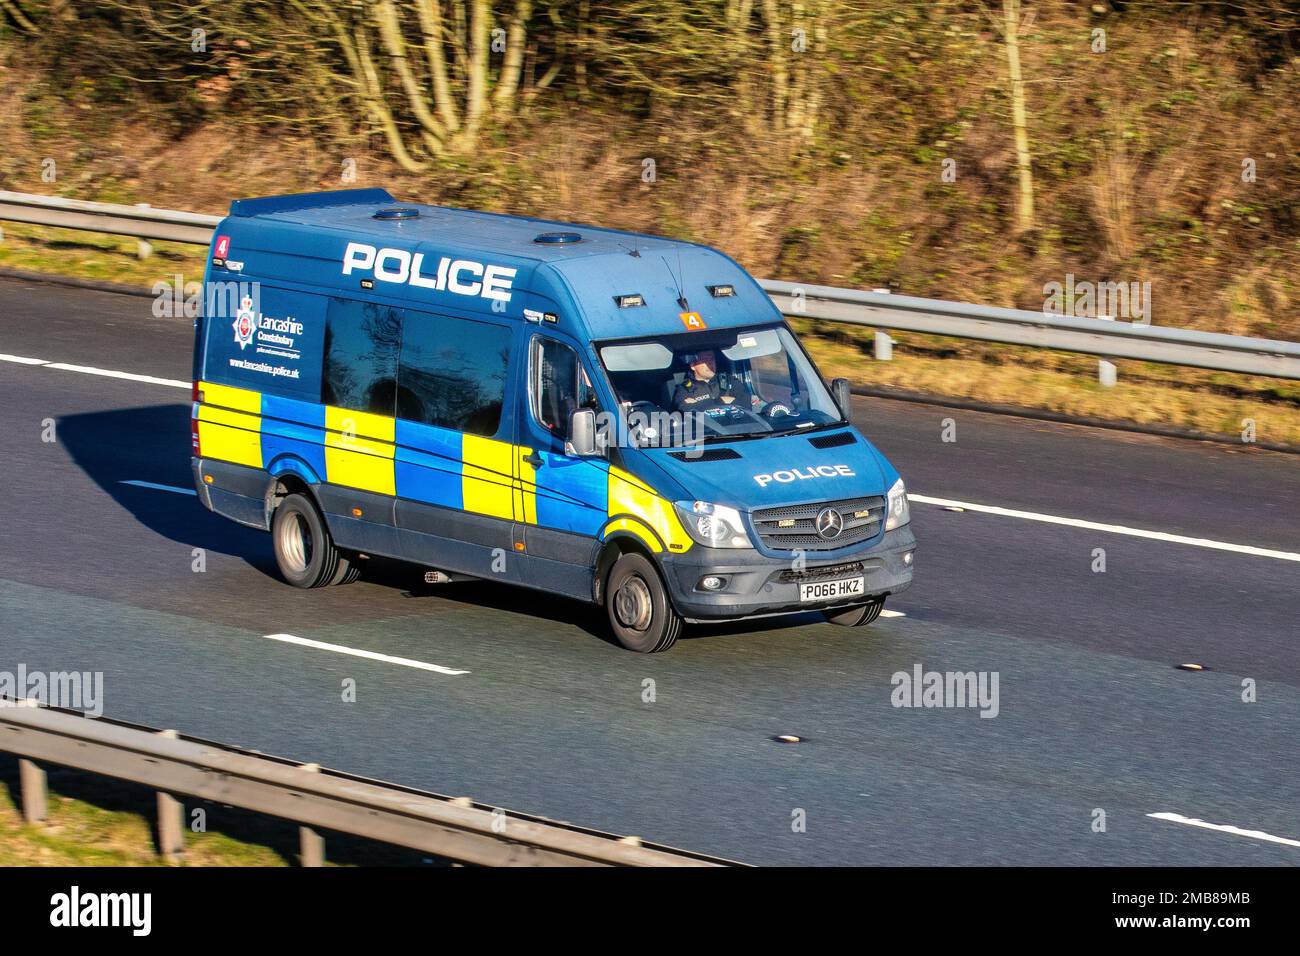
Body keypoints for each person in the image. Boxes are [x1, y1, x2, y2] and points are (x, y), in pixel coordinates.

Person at [671, 349, 757, 416]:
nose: (710, 363)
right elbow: (687, 412)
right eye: (705, 360)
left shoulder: (729, 380)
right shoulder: (684, 389)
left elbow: (747, 404)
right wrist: (722, 401)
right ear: (693, 365)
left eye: (712, 359)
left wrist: (700, 404)